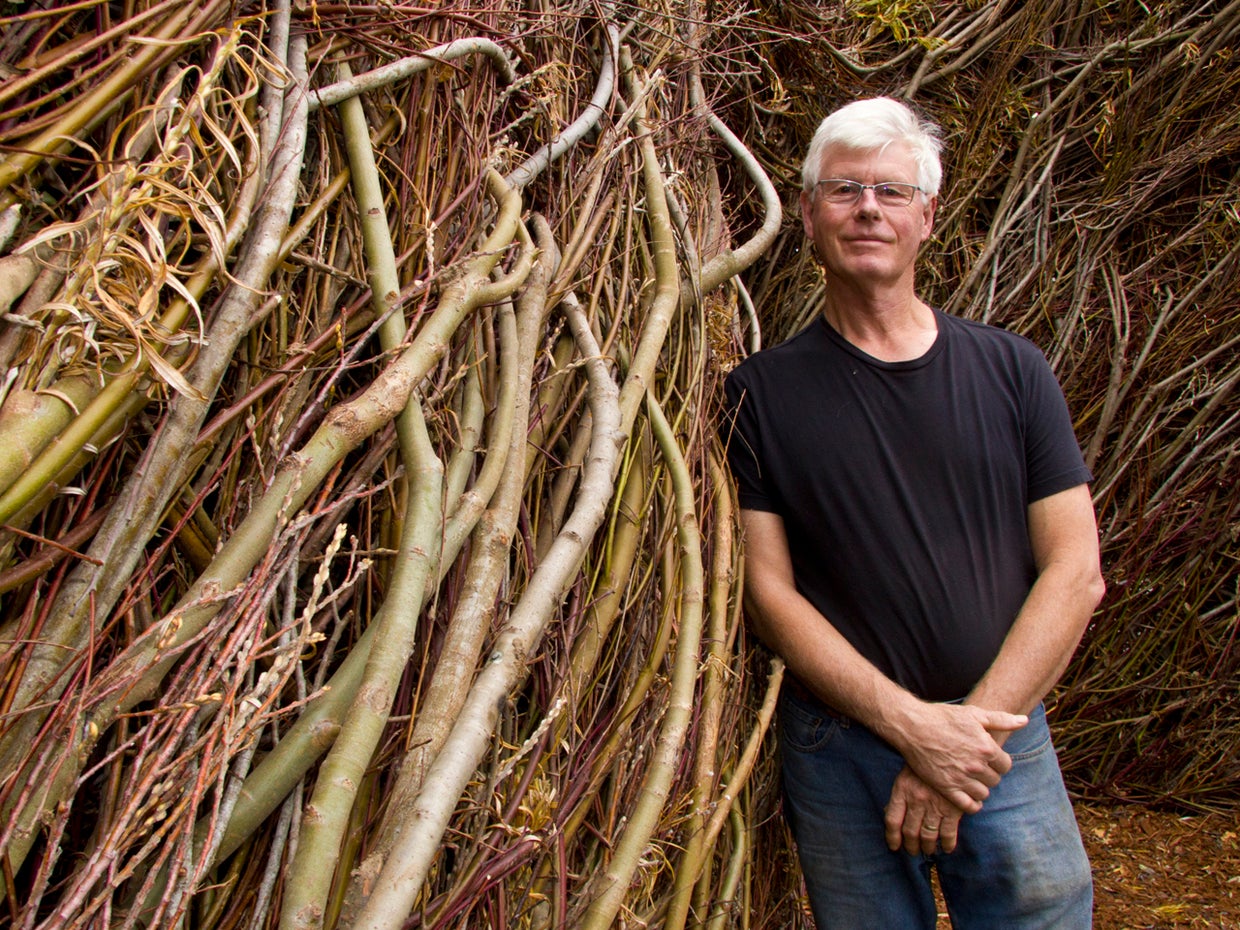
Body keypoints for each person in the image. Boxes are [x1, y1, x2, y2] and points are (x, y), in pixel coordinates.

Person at [721, 97, 1106, 929]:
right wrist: (908, 727)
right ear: (811, 216)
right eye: (845, 189)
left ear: (927, 217)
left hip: (1002, 743)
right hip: (841, 748)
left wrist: (960, 741)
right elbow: (769, 594)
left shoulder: (1013, 370)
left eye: (892, 192)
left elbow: (1076, 570)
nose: (868, 209)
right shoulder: (757, 396)